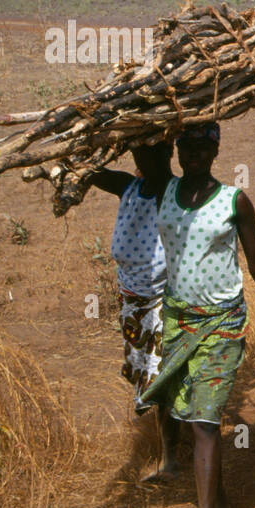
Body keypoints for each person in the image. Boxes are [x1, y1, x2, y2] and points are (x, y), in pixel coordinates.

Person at [139, 123, 255, 508]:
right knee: (189, 415)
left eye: (201, 147)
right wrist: (157, 112)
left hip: (223, 324)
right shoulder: (163, 189)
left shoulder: (235, 200)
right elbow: (139, 146)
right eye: (185, 146)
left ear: (215, 151)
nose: (193, 154)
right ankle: (221, 503)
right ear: (176, 150)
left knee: (206, 420)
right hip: (178, 322)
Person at [89, 141, 176, 467]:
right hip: (132, 301)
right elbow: (91, 173)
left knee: (162, 380)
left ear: (169, 152)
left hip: (166, 299)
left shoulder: (178, 191)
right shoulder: (128, 187)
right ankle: (168, 448)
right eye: (140, 152)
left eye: (154, 152)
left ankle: (170, 459)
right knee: (146, 375)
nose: (147, 159)